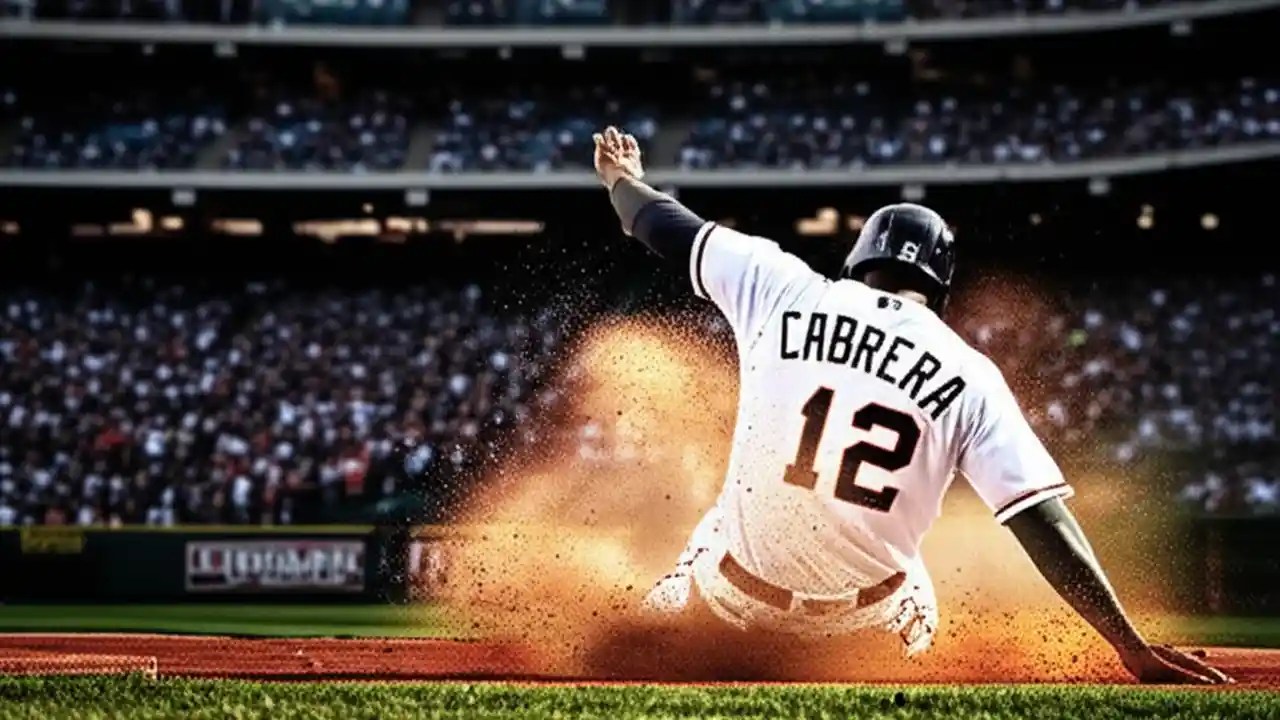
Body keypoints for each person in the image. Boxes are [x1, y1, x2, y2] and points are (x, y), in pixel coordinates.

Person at [590, 126, 1231, 684]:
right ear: (940, 287)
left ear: (858, 260)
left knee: (706, 541)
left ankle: (673, 608)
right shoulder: (971, 373)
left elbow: (656, 224)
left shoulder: (781, 286)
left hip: (733, 599)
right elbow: (1042, 520)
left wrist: (623, 180)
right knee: (914, 576)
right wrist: (1129, 644)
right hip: (867, 629)